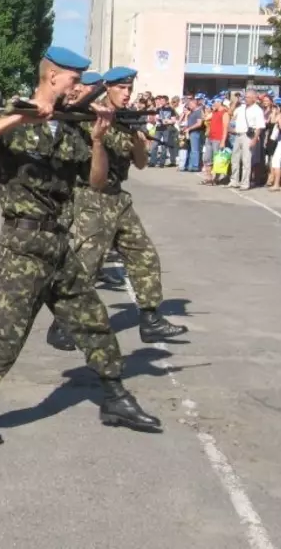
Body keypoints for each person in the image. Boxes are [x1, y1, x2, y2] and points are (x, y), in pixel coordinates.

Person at [0, 48, 162, 446]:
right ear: (52, 78)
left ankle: (115, 397)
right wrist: (19, 117)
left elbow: (96, 183)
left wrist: (98, 141)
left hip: (60, 242)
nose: (79, 88)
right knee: (9, 334)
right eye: (74, 81)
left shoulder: (72, 127)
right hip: (23, 244)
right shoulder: (17, 118)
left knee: (93, 320)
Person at [45, 66, 188, 350]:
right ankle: (61, 325)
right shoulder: (86, 119)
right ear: (106, 89)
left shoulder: (126, 119)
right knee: (87, 266)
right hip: (91, 199)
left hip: (118, 198)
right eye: (121, 88)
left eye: (129, 89)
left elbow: (141, 163)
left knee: (144, 254)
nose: (126, 93)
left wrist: (135, 134)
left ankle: (150, 319)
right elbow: (91, 174)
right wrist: (101, 130)